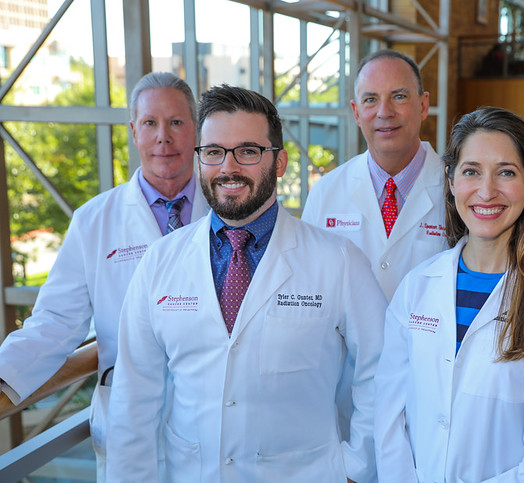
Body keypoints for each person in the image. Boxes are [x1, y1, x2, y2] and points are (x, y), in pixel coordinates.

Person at [106, 84, 385, 482]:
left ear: (279, 162)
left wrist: (357, 469)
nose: (228, 167)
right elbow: (134, 396)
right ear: (200, 159)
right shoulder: (160, 262)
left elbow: (380, 372)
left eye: (248, 151)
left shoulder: (339, 261)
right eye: (214, 152)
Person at [0, 72, 208, 479]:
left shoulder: (226, 211)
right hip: (129, 423)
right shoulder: (93, 221)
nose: (163, 137)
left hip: (210, 416)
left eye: (176, 122)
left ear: (196, 129)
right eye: (150, 123)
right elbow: (55, 322)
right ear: (133, 131)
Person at [374, 107, 524, 481]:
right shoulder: (417, 286)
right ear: (451, 180)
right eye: (471, 171)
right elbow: (389, 415)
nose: (487, 191)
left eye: (506, 172)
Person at [301, 49, 447, 301]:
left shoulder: (457, 191)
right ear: (356, 113)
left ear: (423, 106)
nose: (384, 112)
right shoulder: (325, 193)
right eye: (370, 99)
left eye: (399, 96)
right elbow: (307, 287)